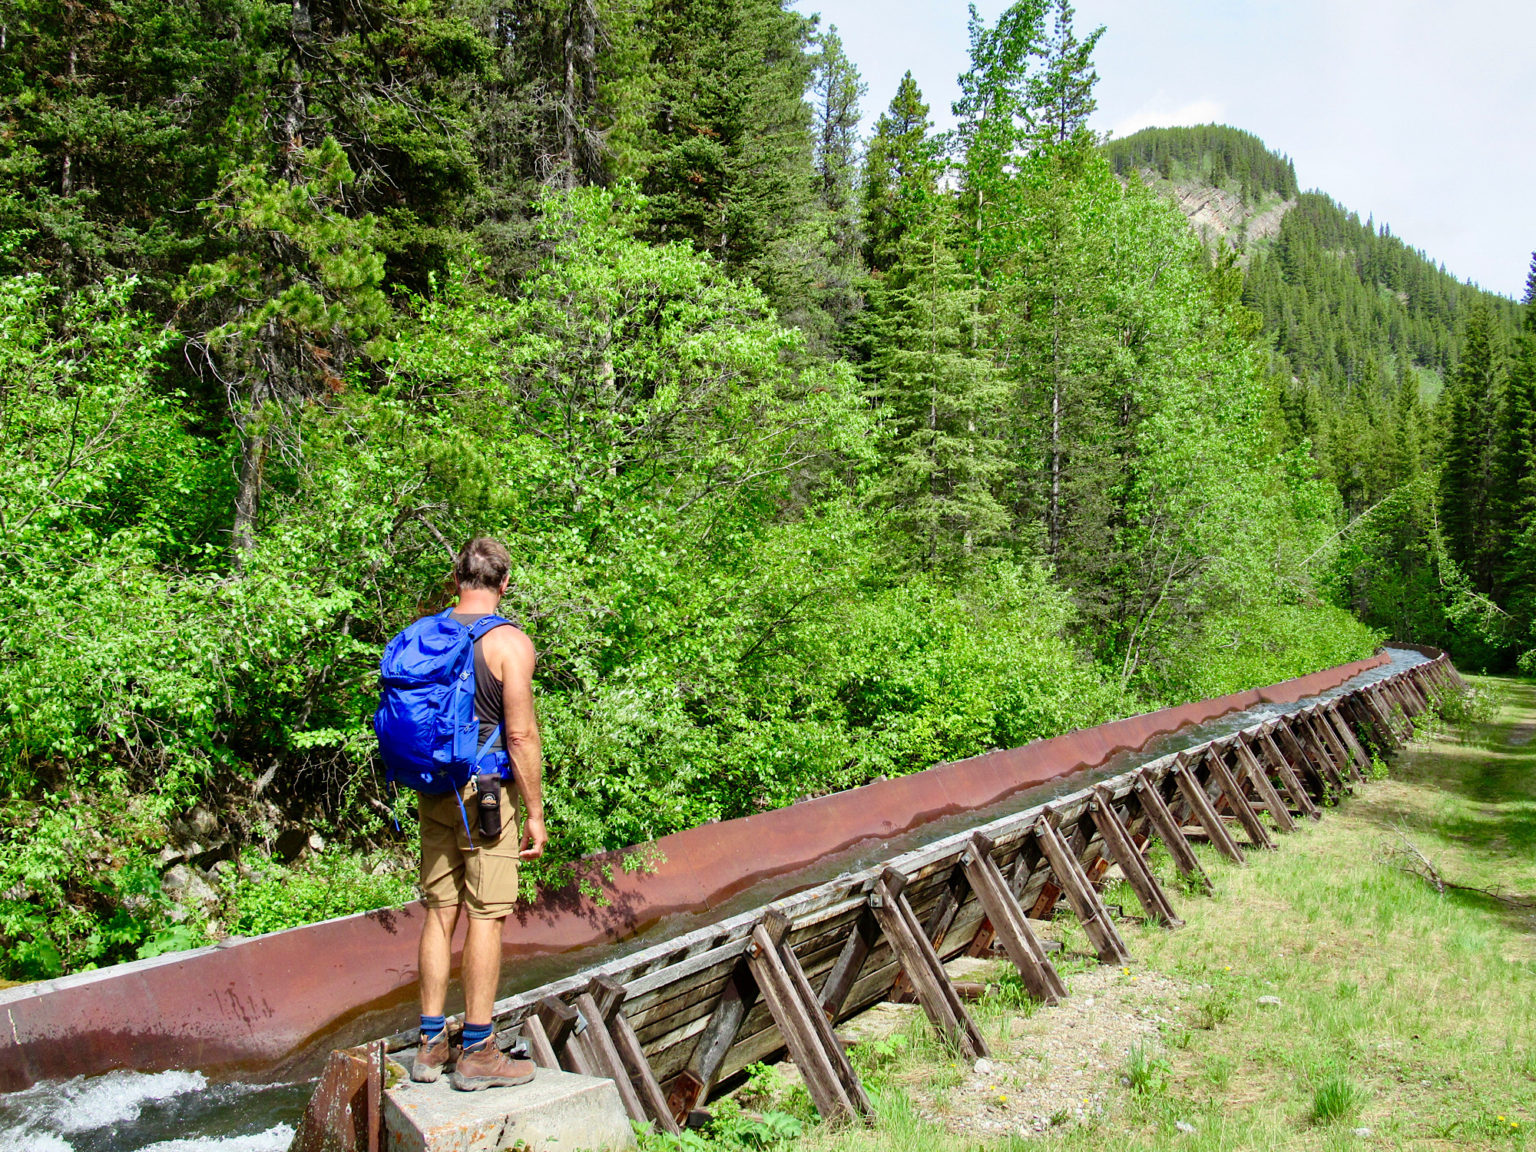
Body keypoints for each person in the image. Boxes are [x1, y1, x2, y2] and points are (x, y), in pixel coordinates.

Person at [411, 537, 549, 1091]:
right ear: (504, 584)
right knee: (486, 913)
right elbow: (519, 734)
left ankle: (427, 1046)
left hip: (432, 788)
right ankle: (478, 1050)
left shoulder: (424, 634)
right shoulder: (509, 643)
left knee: (439, 910)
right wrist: (535, 812)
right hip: (485, 796)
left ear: (456, 580)